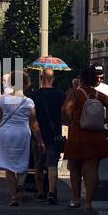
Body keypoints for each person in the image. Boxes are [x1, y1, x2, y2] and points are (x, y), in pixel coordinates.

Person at [61, 65, 108, 212]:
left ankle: (76, 199)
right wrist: (104, 121)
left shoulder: (75, 93)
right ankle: (88, 202)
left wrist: (73, 122)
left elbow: (66, 109)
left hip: (78, 134)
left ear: (80, 79)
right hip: (96, 135)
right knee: (91, 169)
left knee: (74, 167)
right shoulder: (98, 94)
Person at [0, 71, 44, 206]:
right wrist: (40, 141)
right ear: (26, 84)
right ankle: (21, 184)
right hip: (22, 135)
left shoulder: (3, 100)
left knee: (8, 167)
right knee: (22, 162)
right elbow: (34, 123)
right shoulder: (29, 102)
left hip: (5, 135)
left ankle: (13, 197)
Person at [27, 68, 66, 204]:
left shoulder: (34, 95)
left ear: (41, 77)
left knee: (38, 165)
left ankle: (40, 192)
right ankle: (51, 191)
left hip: (38, 135)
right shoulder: (61, 95)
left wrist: (38, 139)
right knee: (52, 165)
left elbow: (32, 119)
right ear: (53, 78)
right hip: (55, 135)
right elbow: (64, 114)